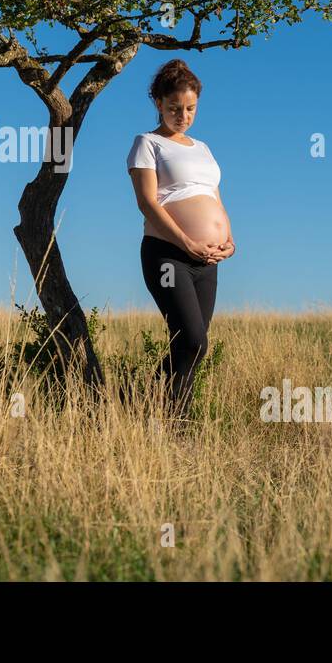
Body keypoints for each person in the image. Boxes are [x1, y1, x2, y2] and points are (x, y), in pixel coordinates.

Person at [126, 59, 235, 424]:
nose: (183, 116)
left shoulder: (203, 148)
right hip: (168, 255)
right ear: (158, 103)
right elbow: (147, 203)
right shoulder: (148, 143)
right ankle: (139, 404)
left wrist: (229, 239)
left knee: (192, 348)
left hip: (207, 260)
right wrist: (187, 241)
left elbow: (215, 198)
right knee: (192, 340)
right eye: (174, 108)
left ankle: (173, 425)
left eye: (190, 108)